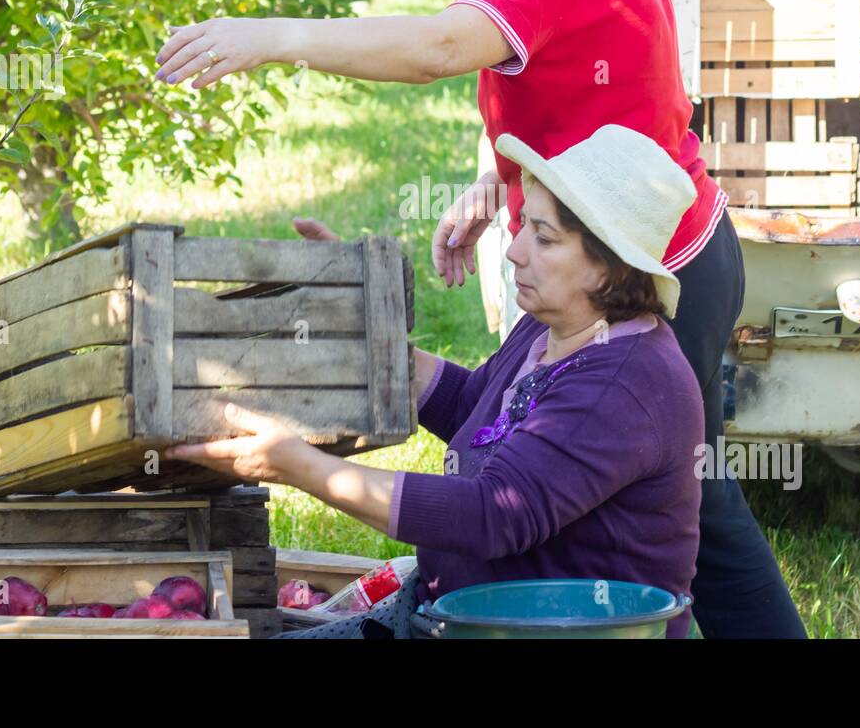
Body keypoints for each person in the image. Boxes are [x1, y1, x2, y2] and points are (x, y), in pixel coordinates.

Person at [154, 0, 804, 638]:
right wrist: (498, 190)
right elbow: (590, 105)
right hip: (657, 233)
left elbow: (438, 47)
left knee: (682, 500)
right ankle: (553, 608)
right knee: (566, 447)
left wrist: (276, 37)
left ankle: (598, 618)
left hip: (653, 256)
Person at [169, 125, 705, 638]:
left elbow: (492, 514)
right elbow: (472, 411)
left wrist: (301, 467)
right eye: (522, 228)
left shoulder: (623, 385)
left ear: (607, 271)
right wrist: (364, 326)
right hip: (453, 619)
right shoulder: (551, 328)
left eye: (544, 239)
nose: (516, 251)